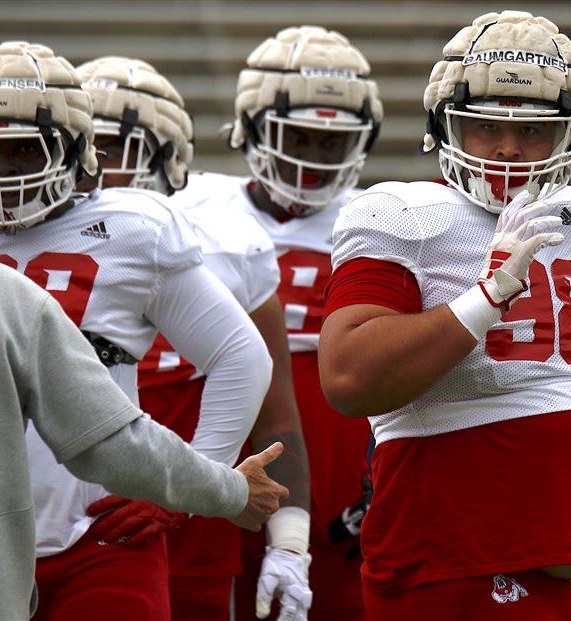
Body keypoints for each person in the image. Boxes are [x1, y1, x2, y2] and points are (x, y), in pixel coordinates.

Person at [317, 10, 571, 620]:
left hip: (542, 552)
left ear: (569, 135)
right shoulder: (405, 212)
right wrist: (486, 297)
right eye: (485, 127)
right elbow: (348, 377)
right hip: (450, 546)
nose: (508, 148)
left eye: (534, 130)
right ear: (445, 126)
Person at [0, 95, 290, 621]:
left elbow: (241, 356)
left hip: (70, 539)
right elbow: (104, 440)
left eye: (23, 149)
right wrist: (223, 487)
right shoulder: (0, 293)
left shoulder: (131, 230)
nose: (4, 168)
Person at [75, 55, 314, 621]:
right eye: (86, 145)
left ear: (169, 162)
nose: (96, 166)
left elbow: (276, 418)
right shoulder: (16, 241)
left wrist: (289, 545)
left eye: (117, 148)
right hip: (47, 517)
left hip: (190, 531)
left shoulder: (224, 246)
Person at [168, 25, 384, 621]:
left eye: (330, 142)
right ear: (252, 129)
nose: (312, 156)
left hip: (344, 447)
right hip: (216, 429)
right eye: (299, 135)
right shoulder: (191, 209)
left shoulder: (387, 219)